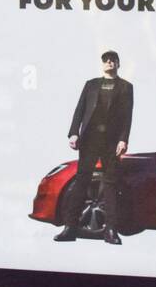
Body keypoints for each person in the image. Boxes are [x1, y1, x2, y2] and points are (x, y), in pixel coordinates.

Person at [55, 50, 134, 245]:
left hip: (112, 142)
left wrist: (123, 139)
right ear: (102, 64)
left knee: (110, 184)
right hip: (89, 140)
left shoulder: (126, 87)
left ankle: (111, 231)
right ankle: (70, 228)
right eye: (106, 60)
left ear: (118, 64)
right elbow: (79, 109)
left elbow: (127, 116)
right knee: (81, 182)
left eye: (113, 60)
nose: (109, 62)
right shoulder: (91, 85)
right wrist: (73, 132)